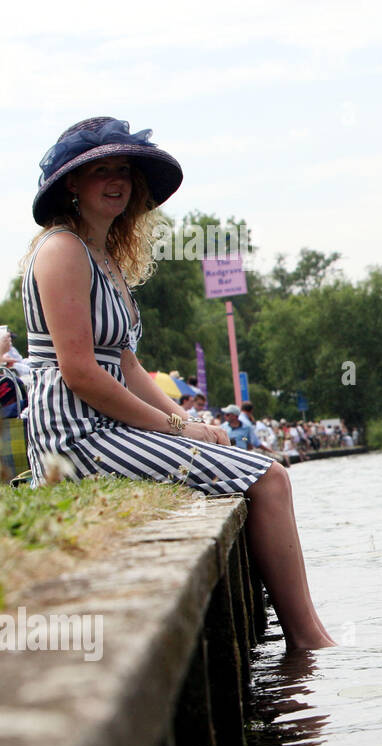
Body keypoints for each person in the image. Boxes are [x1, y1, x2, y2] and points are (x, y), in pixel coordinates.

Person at [20, 116, 333, 650]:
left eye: (123, 169)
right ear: (71, 184)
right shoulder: (62, 251)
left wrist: (186, 419)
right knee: (270, 478)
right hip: (75, 434)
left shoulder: (105, 259)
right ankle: (309, 642)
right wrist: (174, 426)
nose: (115, 180)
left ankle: (305, 637)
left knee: (267, 474)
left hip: (104, 422)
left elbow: (130, 366)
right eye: (100, 171)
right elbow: (79, 372)